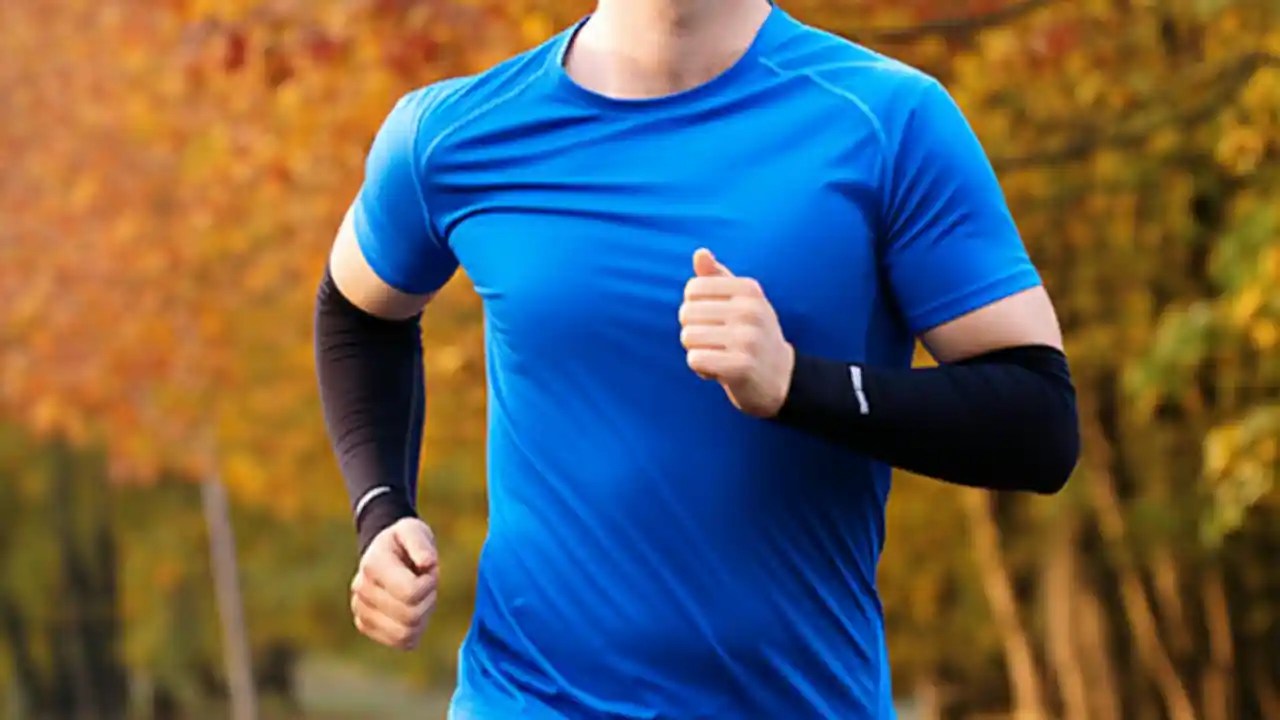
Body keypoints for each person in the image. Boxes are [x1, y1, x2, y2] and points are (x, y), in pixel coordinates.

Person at [314, 0, 1080, 717]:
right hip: (525, 697)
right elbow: (357, 312)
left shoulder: (885, 121)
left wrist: (797, 385)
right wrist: (381, 509)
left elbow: (1038, 420)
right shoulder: (452, 136)